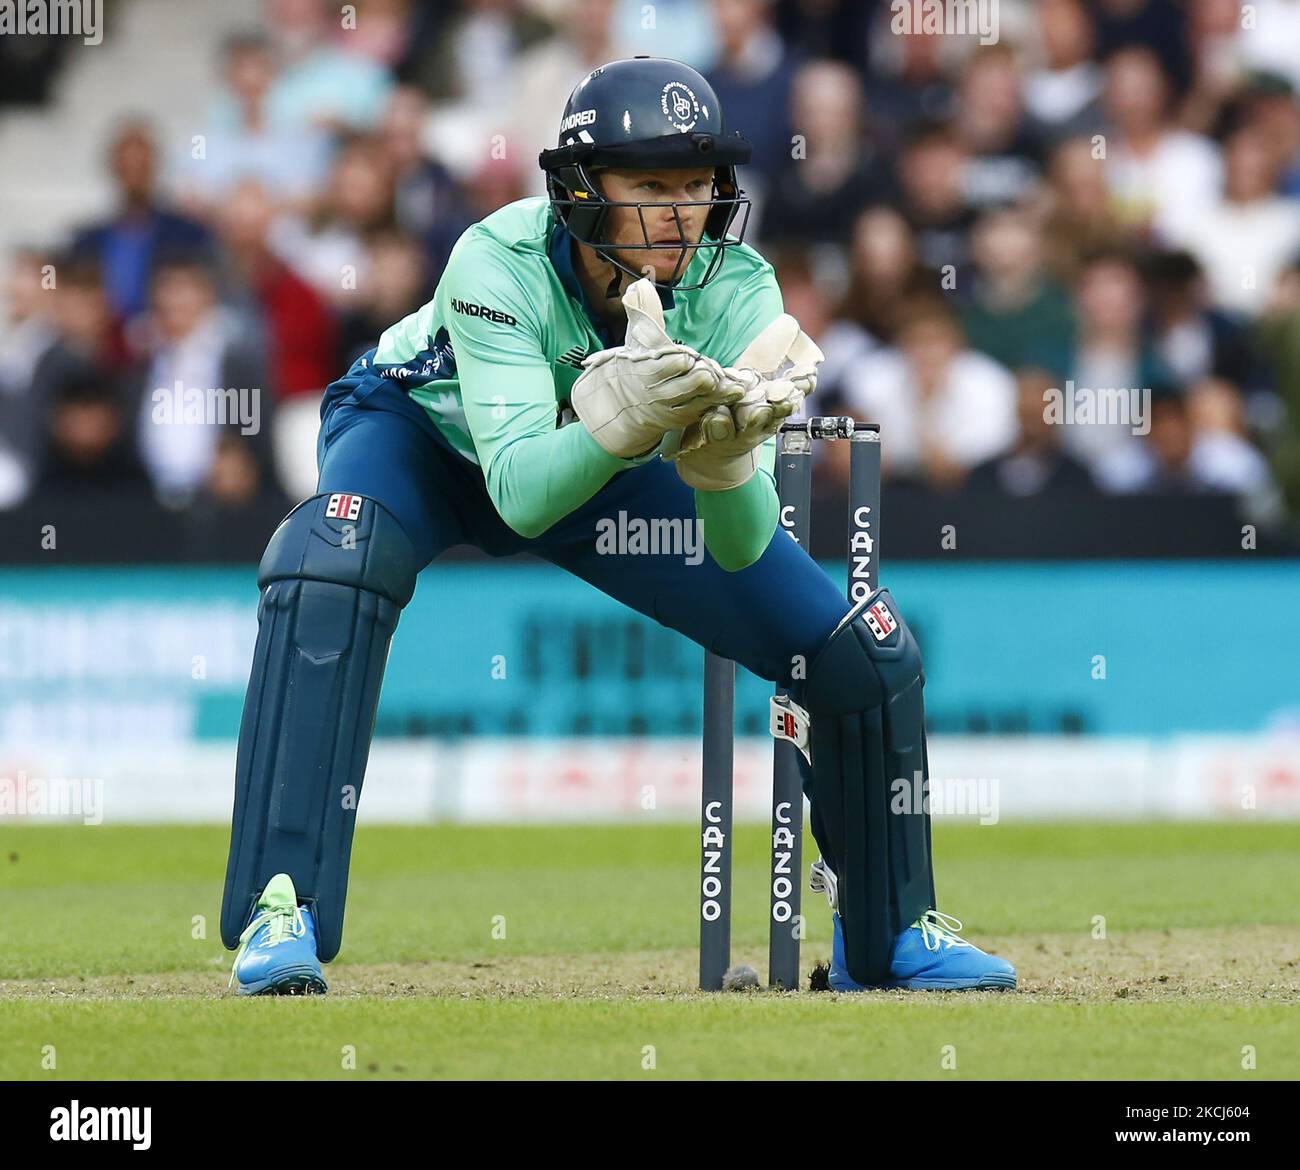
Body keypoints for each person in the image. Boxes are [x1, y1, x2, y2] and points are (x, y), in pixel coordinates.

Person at [220, 57, 1016, 997]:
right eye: (651, 185)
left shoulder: (738, 289)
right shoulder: (497, 257)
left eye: (695, 184)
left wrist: (721, 467)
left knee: (862, 650)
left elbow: (738, 546)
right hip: (426, 439)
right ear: (580, 189)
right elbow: (517, 490)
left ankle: (886, 939)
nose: (681, 212)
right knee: (327, 560)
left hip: (608, 467)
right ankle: (283, 907)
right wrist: (623, 421)